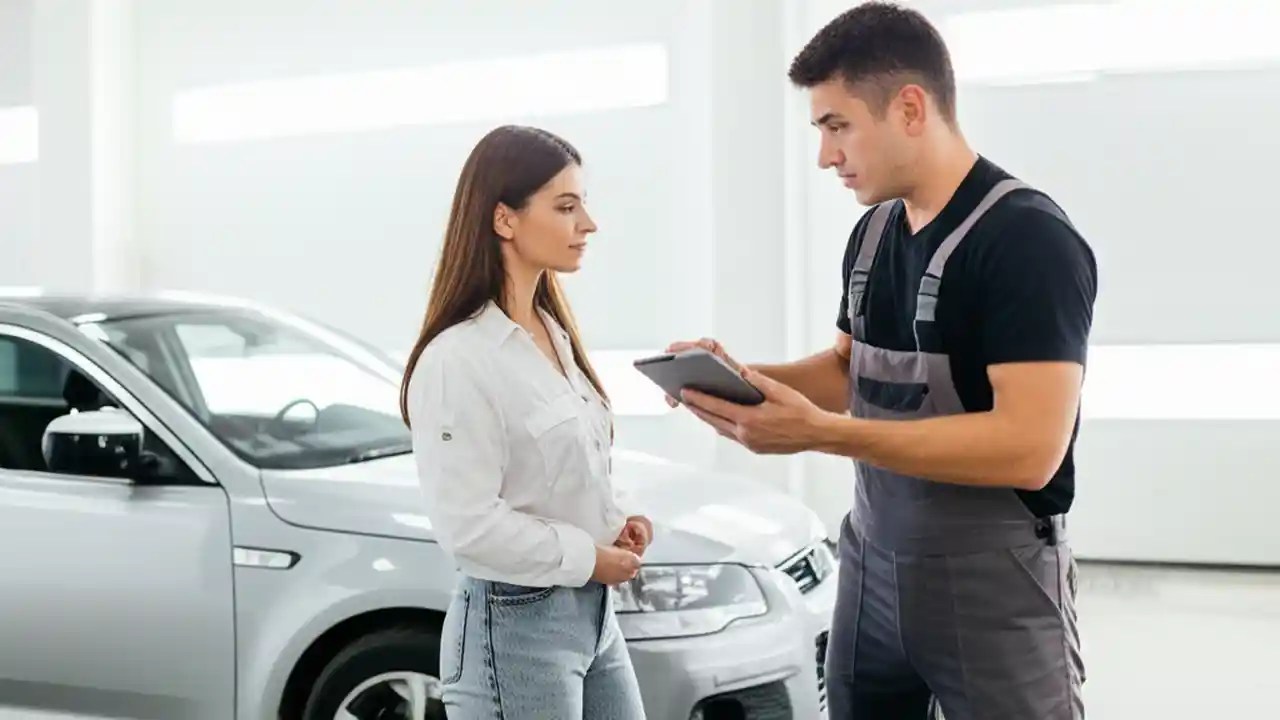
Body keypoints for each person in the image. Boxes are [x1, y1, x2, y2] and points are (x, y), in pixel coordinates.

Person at [667, 3, 1095, 719]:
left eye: (837, 126)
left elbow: (1030, 448)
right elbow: (847, 372)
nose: (825, 155)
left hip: (994, 580)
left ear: (909, 108)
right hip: (872, 564)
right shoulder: (872, 235)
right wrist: (742, 382)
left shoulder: (1028, 241)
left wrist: (821, 434)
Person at [401, 125, 651, 720]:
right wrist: (589, 557)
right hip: (513, 628)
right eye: (566, 207)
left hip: (594, 618)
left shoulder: (553, 335)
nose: (588, 223)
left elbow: (564, 466)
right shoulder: (458, 358)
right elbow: (467, 526)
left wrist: (618, 520)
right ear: (504, 219)